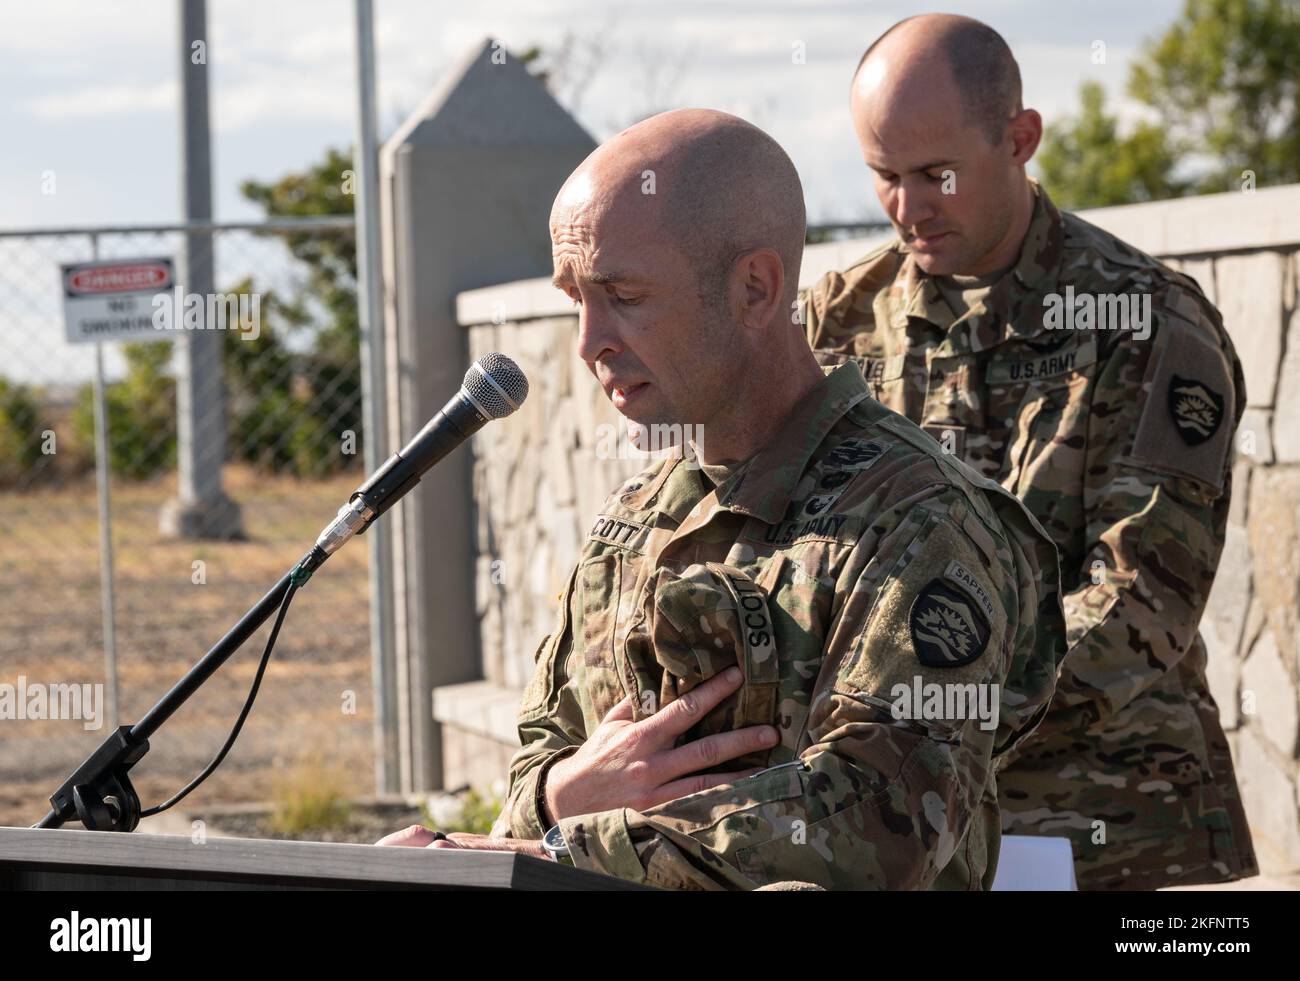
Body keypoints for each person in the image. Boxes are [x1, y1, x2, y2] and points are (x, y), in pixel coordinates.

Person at [380, 107, 1065, 890]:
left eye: (624, 294)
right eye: (577, 297)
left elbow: (882, 821)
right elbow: (542, 758)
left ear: (755, 288)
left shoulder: (917, 517)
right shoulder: (634, 522)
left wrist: (569, 848)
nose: (588, 339)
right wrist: (559, 793)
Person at [800, 13, 1256, 889]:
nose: (907, 207)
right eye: (882, 175)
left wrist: (935, 716)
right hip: (890, 835)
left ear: (1020, 139)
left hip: (1109, 832)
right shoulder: (838, 322)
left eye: (935, 173)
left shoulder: (1147, 322)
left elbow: (1141, 600)